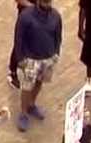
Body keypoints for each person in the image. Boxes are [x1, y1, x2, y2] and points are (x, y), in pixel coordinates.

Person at [13, 0, 62, 132]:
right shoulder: (26, 16)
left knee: (40, 82)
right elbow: (18, 39)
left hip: (47, 59)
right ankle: (23, 113)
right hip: (30, 59)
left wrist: (56, 53)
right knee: (27, 86)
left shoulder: (56, 16)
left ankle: (32, 104)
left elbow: (58, 37)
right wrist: (20, 58)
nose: (47, 4)